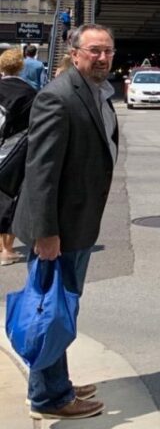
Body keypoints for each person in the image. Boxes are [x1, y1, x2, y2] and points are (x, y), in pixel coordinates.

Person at [12, 23, 118, 421]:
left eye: (108, 50)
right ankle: (48, 396)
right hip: (59, 228)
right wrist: (46, 233)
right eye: (94, 50)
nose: (102, 57)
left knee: (59, 307)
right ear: (75, 53)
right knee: (49, 310)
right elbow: (41, 171)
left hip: (76, 222)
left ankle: (56, 383)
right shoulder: (58, 96)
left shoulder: (94, 92)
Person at [0, 49, 37, 265]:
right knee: (12, 197)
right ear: (20, 67)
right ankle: (7, 249)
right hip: (15, 150)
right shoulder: (29, 92)